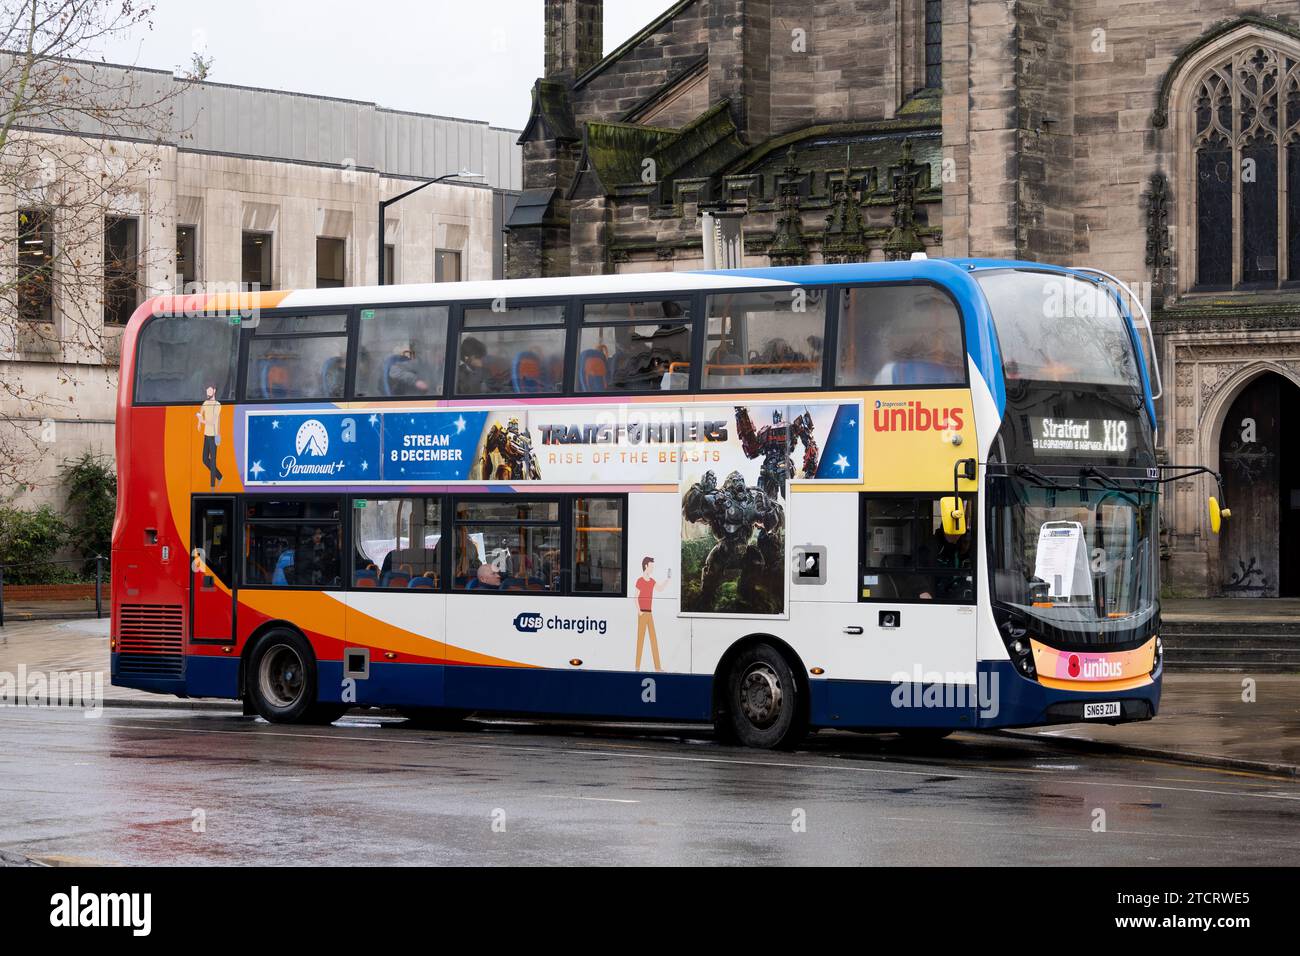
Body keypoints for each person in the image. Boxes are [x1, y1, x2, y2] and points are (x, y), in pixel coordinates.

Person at [633, 557, 671, 672]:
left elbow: (660, 589)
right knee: (640, 640)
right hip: (643, 613)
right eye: (651, 566)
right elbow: (635, 597)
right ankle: (637, 667)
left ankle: (658, 667)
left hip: (649, 613)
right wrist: (639, 611)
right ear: (646, 566)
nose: (652, 568)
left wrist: (668, 579)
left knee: (653, 639)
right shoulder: (640, 580)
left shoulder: (652, 581)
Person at [196, 385, 222, 488]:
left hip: (213, 435)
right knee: (205, 459)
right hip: (206, 435)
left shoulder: (217, 405)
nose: (208, 393)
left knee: (213, 460)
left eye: (210, 391)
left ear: (214, 391)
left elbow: (213, 422)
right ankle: (219, 476)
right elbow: (200, 412)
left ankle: (212, 486)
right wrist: (199, 422)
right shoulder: (205, 403)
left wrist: (202, 421)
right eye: (207, 391)